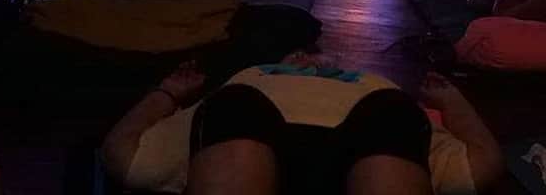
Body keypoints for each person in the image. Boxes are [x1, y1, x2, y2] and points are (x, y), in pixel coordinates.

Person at [99, 53, 504, 194]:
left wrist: (167, 94)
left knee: (388, 112)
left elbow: (122, 152)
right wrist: (169, 92)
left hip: (376, 118)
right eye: (296, 57)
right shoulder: (248, 80)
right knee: (238, 105)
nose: (307, 59)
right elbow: (483, 162)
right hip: (245, 116)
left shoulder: (376, 88)